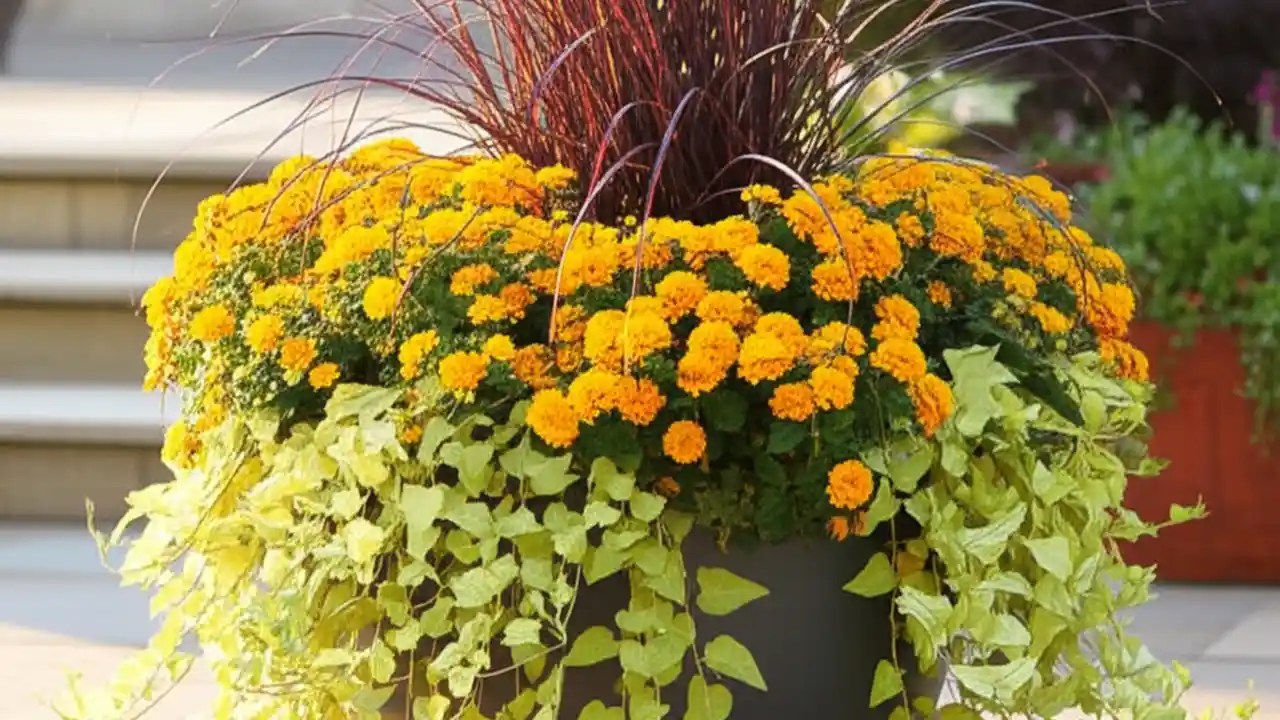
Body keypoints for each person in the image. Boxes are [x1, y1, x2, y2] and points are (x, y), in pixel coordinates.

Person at [0, 0, 22, 74]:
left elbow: (16, 8)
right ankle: (3, 67)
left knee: (3, 45)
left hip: (5, 24)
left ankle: (3, 66)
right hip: (6, 23)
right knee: (3, 45)